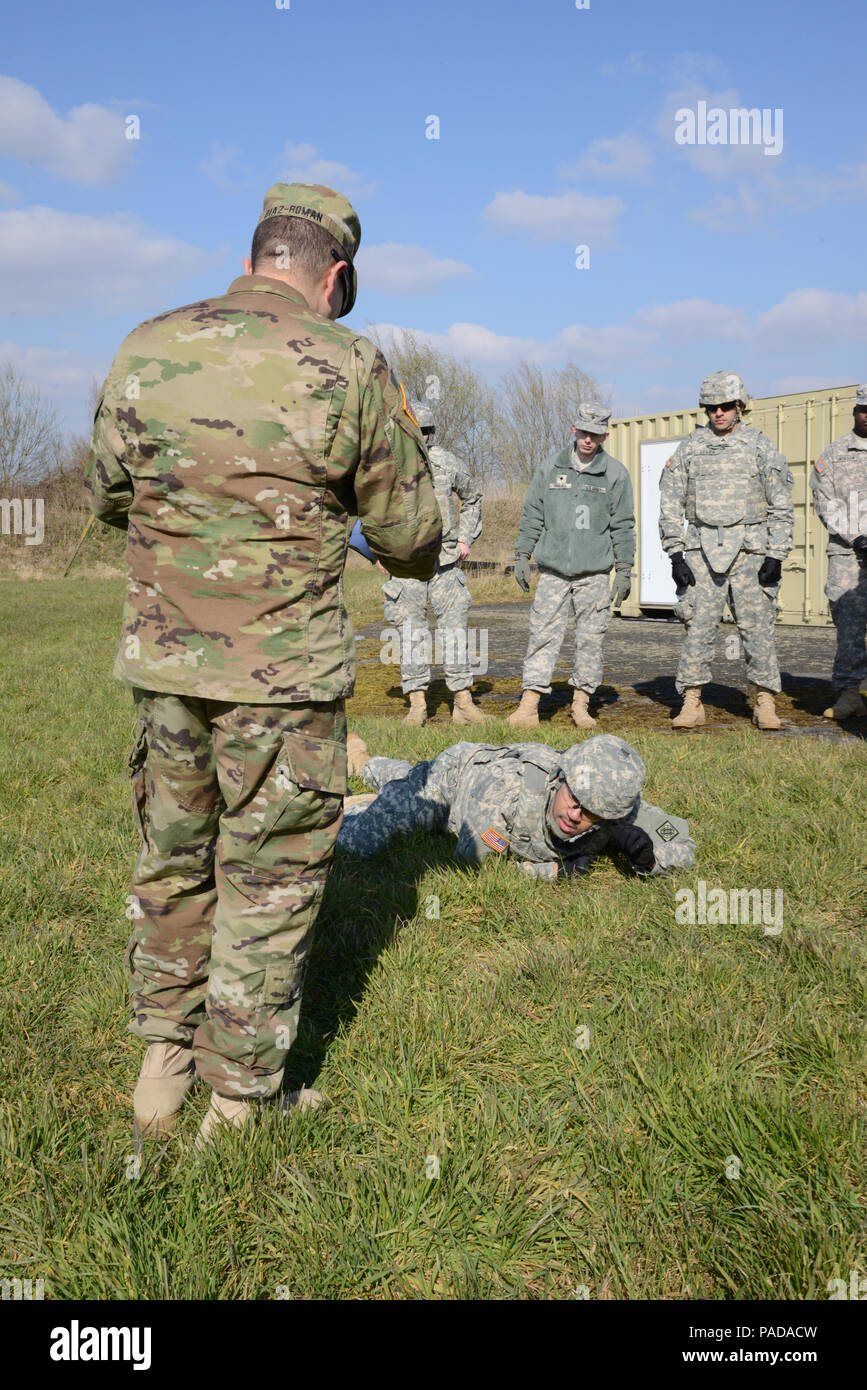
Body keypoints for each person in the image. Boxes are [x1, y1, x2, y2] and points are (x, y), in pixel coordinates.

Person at [84, 181, 442, 1146]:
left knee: (173, 858)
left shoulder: (145, 346)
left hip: (166, 669)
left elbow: (109, 493)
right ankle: (239, 1104)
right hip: (282, 680)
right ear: (332, 275)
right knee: (269, 879)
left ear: (256, 257)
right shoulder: (349, 364)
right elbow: (411, 535)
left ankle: (161, 1070)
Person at [340, 732, 695, 880]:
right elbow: (475, 854)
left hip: (474, 779)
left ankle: (362, 759)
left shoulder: (611, 801)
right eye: (575, 802)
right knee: (360, 841)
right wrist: (553, 872)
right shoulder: (512, 791)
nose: (576, 815)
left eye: (591, 815)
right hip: (452, 783)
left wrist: (649, 861)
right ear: (560, 780)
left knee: (399, 773)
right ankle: (360, 773)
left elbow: (683, 844)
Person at [658, 371, 794, 731]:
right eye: (711, 408)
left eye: (725, 407)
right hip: (701, 552)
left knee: (757, 629)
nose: (717, 413)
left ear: (739, 407)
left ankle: (764, 701)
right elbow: (670, 502)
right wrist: (675, 555)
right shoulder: (690, 448)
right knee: (698, 629)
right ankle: (691, 701)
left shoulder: (760, 447)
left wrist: (776, 555)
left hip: (751, 551)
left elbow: (781, 505)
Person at [507, 403, 635, 731]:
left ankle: (581, 704)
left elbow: (622, 525)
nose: (588, 439)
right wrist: (522, 554)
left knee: (590, 639)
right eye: (583, 432)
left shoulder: (615, 474)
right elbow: (533, 512)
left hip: (593, 574)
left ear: (605, 435)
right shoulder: (550, 467)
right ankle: (529, 706)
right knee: (542, 635)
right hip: (553, 573)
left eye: (595, 434)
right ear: (573, 430)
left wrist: (624, 568)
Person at [381, 402, 484, 725]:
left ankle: (463, 703)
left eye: (426, 431)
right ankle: (417, 705)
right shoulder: (388, 464)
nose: (421, 437)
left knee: (455, 632)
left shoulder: (447, 463)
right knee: (410, 633)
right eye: (416, 431)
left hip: (446, 562)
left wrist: (466, 538)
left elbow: (473, 498)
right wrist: (382, 550)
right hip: (405, 563)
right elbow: (372, 509)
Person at [809, 383, 867, 720]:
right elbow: (824, 502)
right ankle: (849, 694)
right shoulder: (834, 454)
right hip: (848, 556)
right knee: (849, 627)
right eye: (863, 409)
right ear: (854, 411)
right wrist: (856, 536)